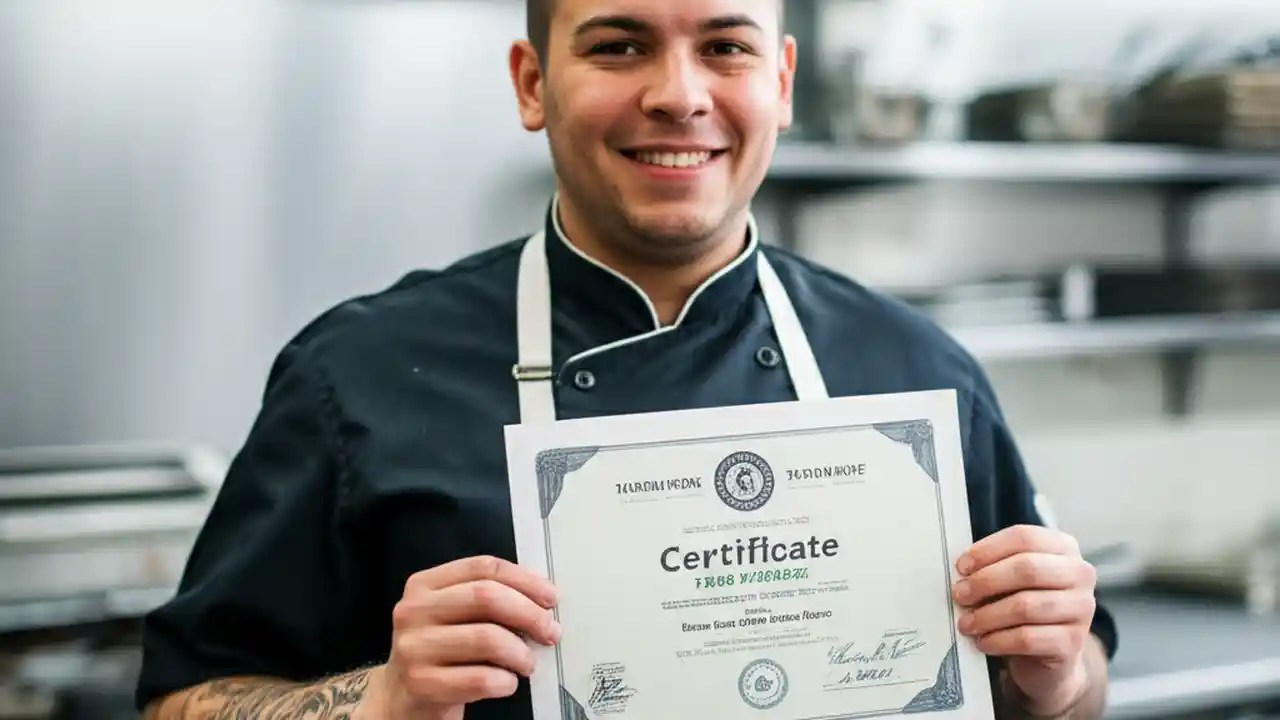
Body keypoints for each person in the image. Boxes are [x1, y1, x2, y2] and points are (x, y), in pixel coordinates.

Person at [136, 0, 1117, 717]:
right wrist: (378, 701)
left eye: (723, 48)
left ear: (776, 84)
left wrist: (1056, 677)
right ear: (531, 82)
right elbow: (182, 698)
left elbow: (1066, 692)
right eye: (618, 45)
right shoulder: (354, 371)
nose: (676, 95)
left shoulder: (918, 366)